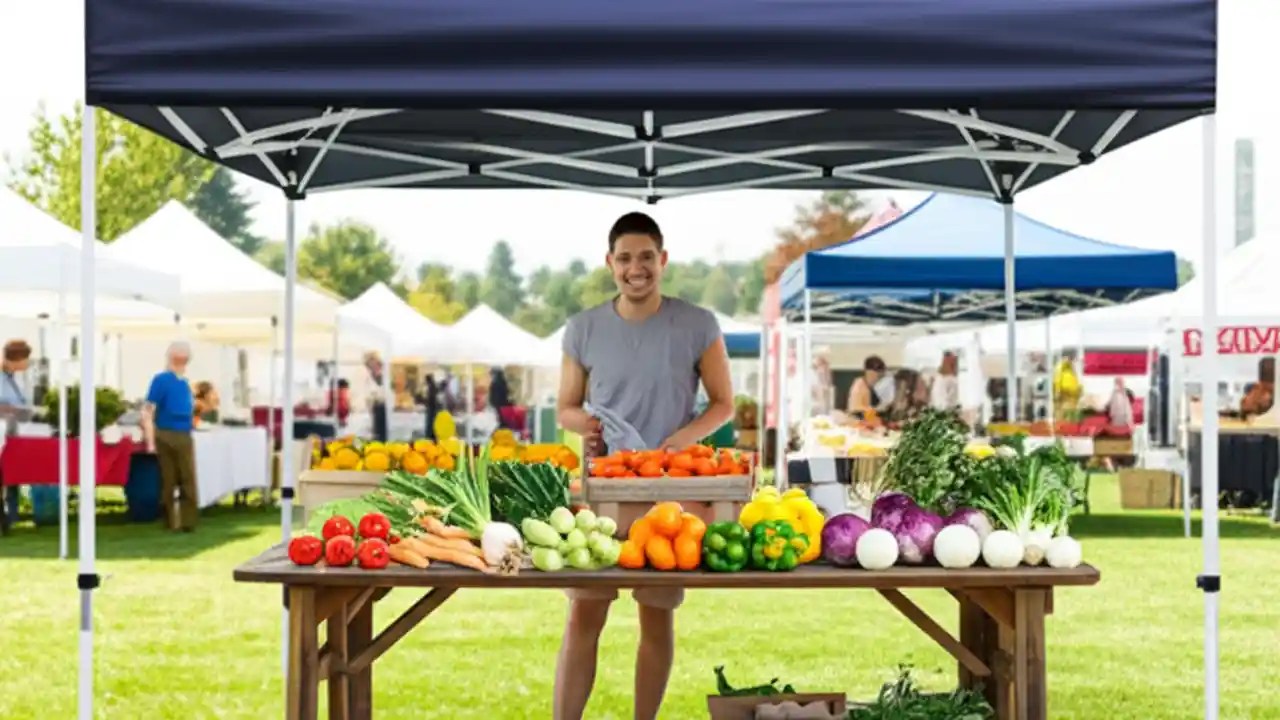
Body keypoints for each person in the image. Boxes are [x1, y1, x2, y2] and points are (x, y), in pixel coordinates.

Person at [554, 211, 734, 720]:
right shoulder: (583, 328)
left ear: (664, 260)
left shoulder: (698, 324)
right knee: (583, 616)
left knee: (656, 617)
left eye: (647, 257)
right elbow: (566, 405)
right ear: (610, 263)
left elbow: (723, 403)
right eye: (626, 258)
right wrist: (585, 424)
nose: (637, 268)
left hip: (670, 493)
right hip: (606, 491)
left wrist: (680, 442)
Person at [144, 341, 198, 532]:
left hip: (183, 432)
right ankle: (172, 521)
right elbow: (148, 409)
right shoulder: (162, 380)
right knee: (170, 479)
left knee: (186, 478)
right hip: (167, 433)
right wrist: (150, 440)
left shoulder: (184, 382)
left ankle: (186, 521)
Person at [0, 340, 32, 534]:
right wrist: (15, 410)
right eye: (26, 359)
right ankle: (8, 516)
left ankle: (11, 515)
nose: (28, 363)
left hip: (14, 432)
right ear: (18, 359)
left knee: (12, 473)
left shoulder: (13, 377)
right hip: (3, 432)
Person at [361, 352, 388, 442]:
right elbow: (367, 397)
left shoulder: (386, 376)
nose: (372, 367)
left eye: (375, 363)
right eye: (369, 365)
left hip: (385, 412)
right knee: (376, 438)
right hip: (374, 411)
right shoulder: (367, 379)